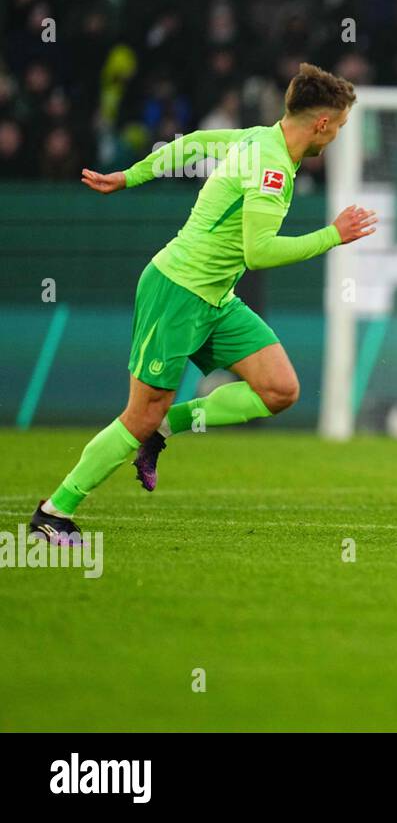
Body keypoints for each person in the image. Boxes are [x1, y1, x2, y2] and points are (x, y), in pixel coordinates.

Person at [30, 64, 376, 545]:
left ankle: (166, 428)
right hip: (177, 291)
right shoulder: (272, 168)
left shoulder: (257, 137)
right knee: (139, 414)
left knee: (279, 390)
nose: (337, 136)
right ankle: (54, 513)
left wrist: (129, 177)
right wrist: (332, 236)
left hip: (215, 298)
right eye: (337, 126)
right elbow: (260, 253)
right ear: (321, 123)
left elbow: (189, 145)